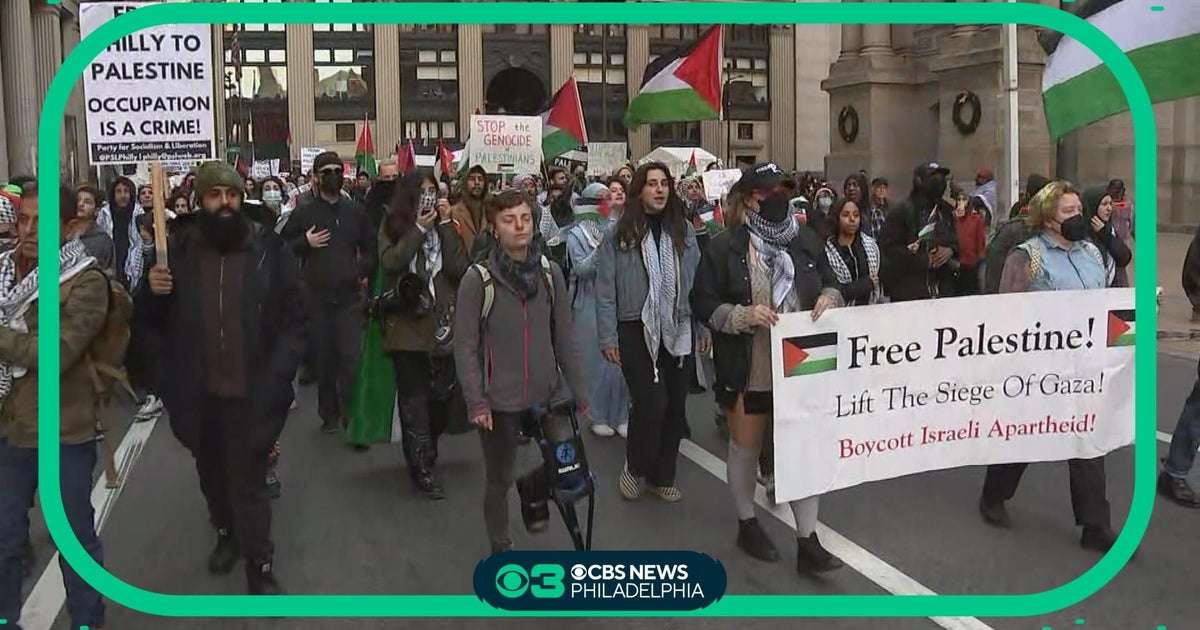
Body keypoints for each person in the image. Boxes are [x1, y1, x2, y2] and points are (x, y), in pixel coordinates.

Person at [137, 161, 307, 593]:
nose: (226, 203)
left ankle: (260, 564)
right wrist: (151, 293)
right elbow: (150, 323)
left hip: (253, 391)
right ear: (201, 200)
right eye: (216, 195)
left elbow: (293, 319)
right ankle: (225, 533)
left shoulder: (268, 249)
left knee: (249, 480)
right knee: (212, 474)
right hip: (199, 394)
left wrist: (279, 376)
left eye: (232, 195)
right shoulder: (175, 253)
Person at [692, 163, 845, 575]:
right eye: (768, 190)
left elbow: (833, 281)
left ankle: (808, 540)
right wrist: (742, 315)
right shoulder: (724, 247)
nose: (777, 196)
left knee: (802, 449)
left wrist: (830, 297)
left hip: (801, 365)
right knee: (746, 444)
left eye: (782, 188)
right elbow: (702, 302)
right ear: (749, 198)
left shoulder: (806, 240)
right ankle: (747, 522)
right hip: (750, 365)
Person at [977, 181, 1118, 552]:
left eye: (1078, 209)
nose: (1078, 217)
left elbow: (1105, 300)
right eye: (1068, 211)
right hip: (1041, 369)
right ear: (1048, 219)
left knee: (1087, 440)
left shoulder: (1090, 252)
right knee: (1028, 437)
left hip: (1083, 368)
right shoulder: (1029, 256)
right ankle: (995, 493)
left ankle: (1095, 525)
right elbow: (1007, 313)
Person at [0, 183, 113, 630]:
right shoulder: (2, 271)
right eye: (23, 219)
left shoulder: (85, 282)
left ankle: (88, 620)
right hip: (9, 431)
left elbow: (55, 353)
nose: (28, 230)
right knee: (6, 540)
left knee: (73, 541)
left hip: (62, 431)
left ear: (69, 227)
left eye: (41, 222)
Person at [453, 189, 588, 554]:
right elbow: (464, 345)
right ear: (495, 229)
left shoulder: (549, 272)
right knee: (499, 479)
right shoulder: (477, 280)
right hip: (500, 401)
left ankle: (535, 493)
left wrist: (579, 389)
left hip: (548, 394)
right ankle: (501, 546)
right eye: (509, 220)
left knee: (564, 467)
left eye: (525, 218)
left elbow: (565, 335)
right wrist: (476, 402)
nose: (519, 227)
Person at [596, 162, 703, 503]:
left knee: (675, 406)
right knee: (651, 403)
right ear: (639, 190)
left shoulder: (683, 230)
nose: (659, 190)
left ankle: (662, 476)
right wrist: (607, 337)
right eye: (651, 184)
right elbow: (605, 288)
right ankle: (636, 464)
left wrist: (700, 326)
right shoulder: (619, 233)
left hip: (678, 325)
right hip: (634, 326)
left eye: (664, 184)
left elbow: (696, 282)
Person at [378, 172, 468, 499]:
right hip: (406, 327)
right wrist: (418, 229)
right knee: (414, 402)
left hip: (442, 325)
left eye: (434, 192)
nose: (430, 198)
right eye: (424, 193)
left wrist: (444, 226)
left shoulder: (447, 226)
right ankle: (421, 467)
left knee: (441, 400)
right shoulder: (391, 224)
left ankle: (428, 448)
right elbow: (392, 260)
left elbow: (459, 267)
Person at [280, 151, 377, 434]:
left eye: (337, 170)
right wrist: (304, 242)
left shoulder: (356, 211)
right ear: (316, 178)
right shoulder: (304, 212)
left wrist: (360, 269)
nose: (333, 175)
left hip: (348, 297)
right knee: (324, 360)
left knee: (350, 358)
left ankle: (352, 414)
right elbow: (281, 248)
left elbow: (371, 248)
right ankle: (329, 413)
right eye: (327, 172)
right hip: (316, 298)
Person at [565, 183, 630, 438]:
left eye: (609, 197)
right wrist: (603, 247)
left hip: (617, 301)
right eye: (601, 199)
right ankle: (597, 414)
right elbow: (581, 269)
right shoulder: (576, 235)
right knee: (595, 363)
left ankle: (621, 414)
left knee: (619, 361)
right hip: (588, 303)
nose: (607, 203)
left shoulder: (618, 227)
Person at [878, 160, 960, 302]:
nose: (939, 182)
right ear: (919, 181)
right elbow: (888, 251)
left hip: (943, 291)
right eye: (934, 177)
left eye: (942, 178)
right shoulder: (901, 211)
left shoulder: (946, 211)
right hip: (910, 293)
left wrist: (951, 250)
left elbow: (956, 240)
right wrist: (923, 260)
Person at [1082, 185, 1132, 288]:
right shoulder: (1082, 233)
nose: (1109, 208)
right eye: (1104, 204)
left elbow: (1124, 257)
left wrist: (1106, 235)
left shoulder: (1109, 229)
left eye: (1110, 204)